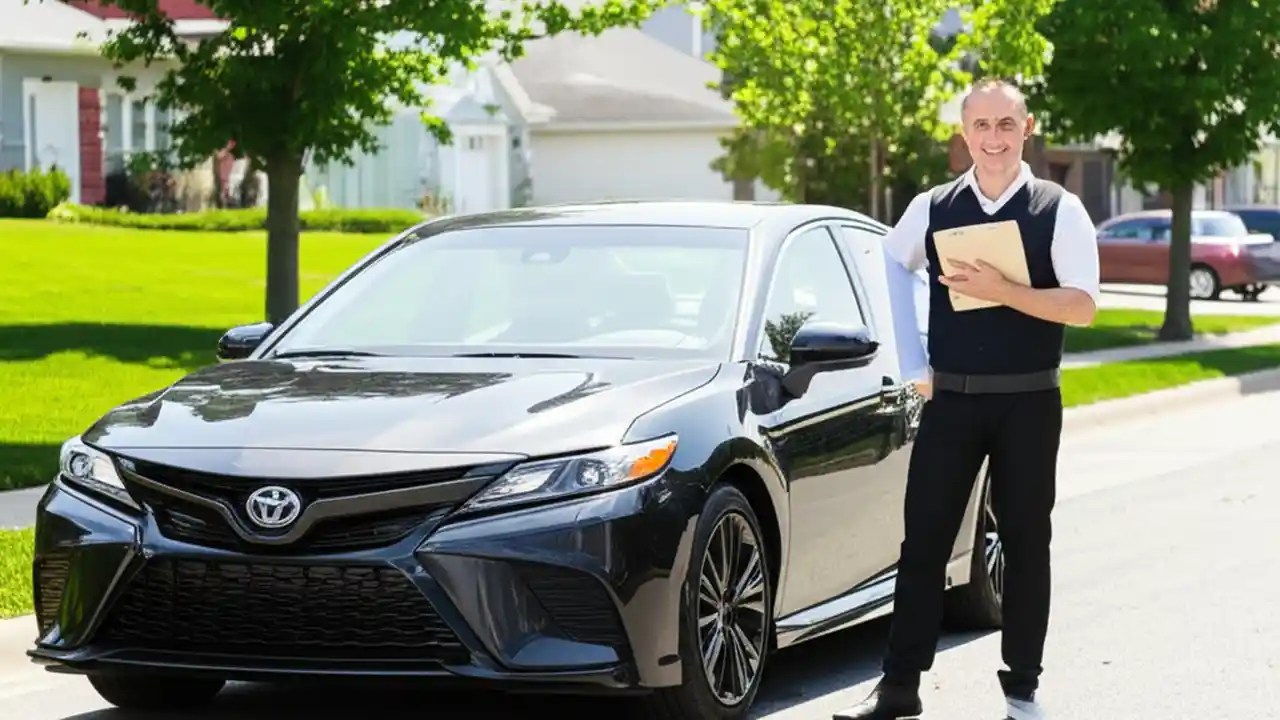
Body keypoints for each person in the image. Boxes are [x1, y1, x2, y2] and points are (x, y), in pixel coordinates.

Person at [833, 78, 1100, 720]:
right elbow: (894, 263)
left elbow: (1084, 305)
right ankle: (899, 687)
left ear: (1026, 129)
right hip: (950, 403)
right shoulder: (932, 206)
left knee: (1026, 541)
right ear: (964, 133)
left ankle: (1023, 690)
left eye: (1006, 125)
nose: (993, 138)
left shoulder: (1058, 208)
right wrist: (912, 362)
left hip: (1029, 403)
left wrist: (1003, 289)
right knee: (922, 542)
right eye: (980, 126)